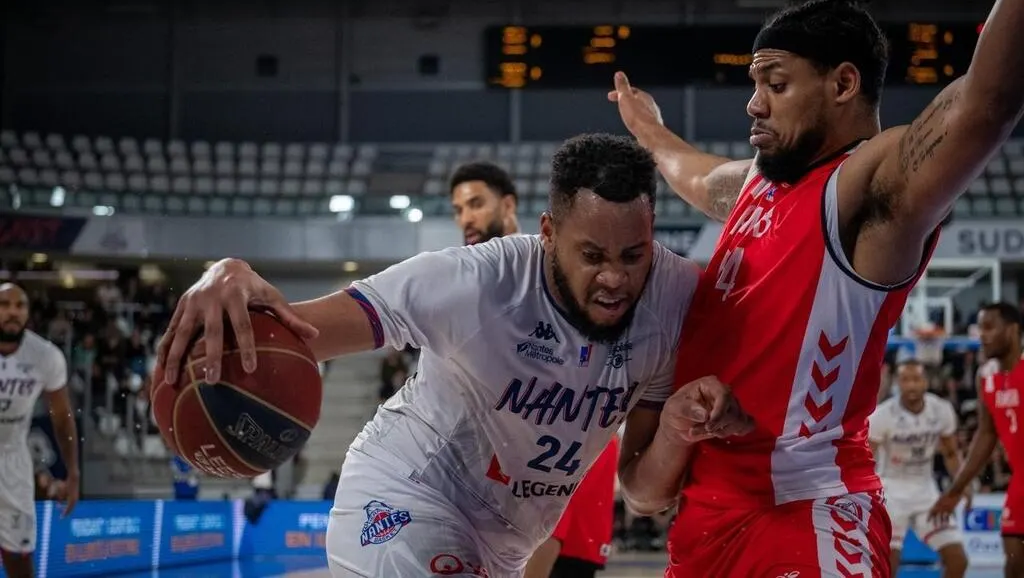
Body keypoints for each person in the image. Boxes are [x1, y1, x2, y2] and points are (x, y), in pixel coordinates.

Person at [156, 133, 754, 578]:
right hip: (403, 493)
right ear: (547, 232)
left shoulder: (675, 296)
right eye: (592, 255)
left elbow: (645, 495)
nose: (615, 280)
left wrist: (677, 428)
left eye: (633, 255)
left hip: (505, 545)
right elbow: (302, 333)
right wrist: (227, 272)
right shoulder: (474, 281)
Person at [611, 0, 1024, 577]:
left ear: (842, 83)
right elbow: (690, 173)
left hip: (805, 518)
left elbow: (986, 104)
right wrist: (648, 131)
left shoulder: (868, 190)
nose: (754, 104)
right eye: (755, 86)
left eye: (774, 84)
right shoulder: (755, 186)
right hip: (701, 527)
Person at [449, 160, 620, 578]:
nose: (466, 218)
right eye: (458, 210)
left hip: (559, 450)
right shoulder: (470, 281)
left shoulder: (550, 267)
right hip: (510, 462)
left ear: (507, 204)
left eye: (475, 204)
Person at [932, 303, 1024, 577]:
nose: (981, 335)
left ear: (1012, 330)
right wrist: (956, 488)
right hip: (1020, 483)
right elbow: (986, 436)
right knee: (1013, 566)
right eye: (979, 328)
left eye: (988, 328)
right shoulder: (985, 376)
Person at [0, 283, 79, 578]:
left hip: (12, 459)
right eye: (4, 304)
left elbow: (61, 417)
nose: (12, 312)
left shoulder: (46, 356)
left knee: (19, 561)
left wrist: (73, 473)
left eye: (19, 306)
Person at [869, 359, 968, 577]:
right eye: (905, 380)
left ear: (926, 381)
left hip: (926, 491)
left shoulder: (941, 410)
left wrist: (963, 486)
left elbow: (951, 454)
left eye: (916, 379)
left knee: (958, 560)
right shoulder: (882, 415)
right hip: (891, 490)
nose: (911, 385)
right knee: (888, 565)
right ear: (897, 383)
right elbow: (867, 459)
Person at [450, 160, 520, 245]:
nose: (465, 220)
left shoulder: (536, 256)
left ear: (508, 206)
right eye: (459, 210)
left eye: (476, 205)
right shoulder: (459, 257)